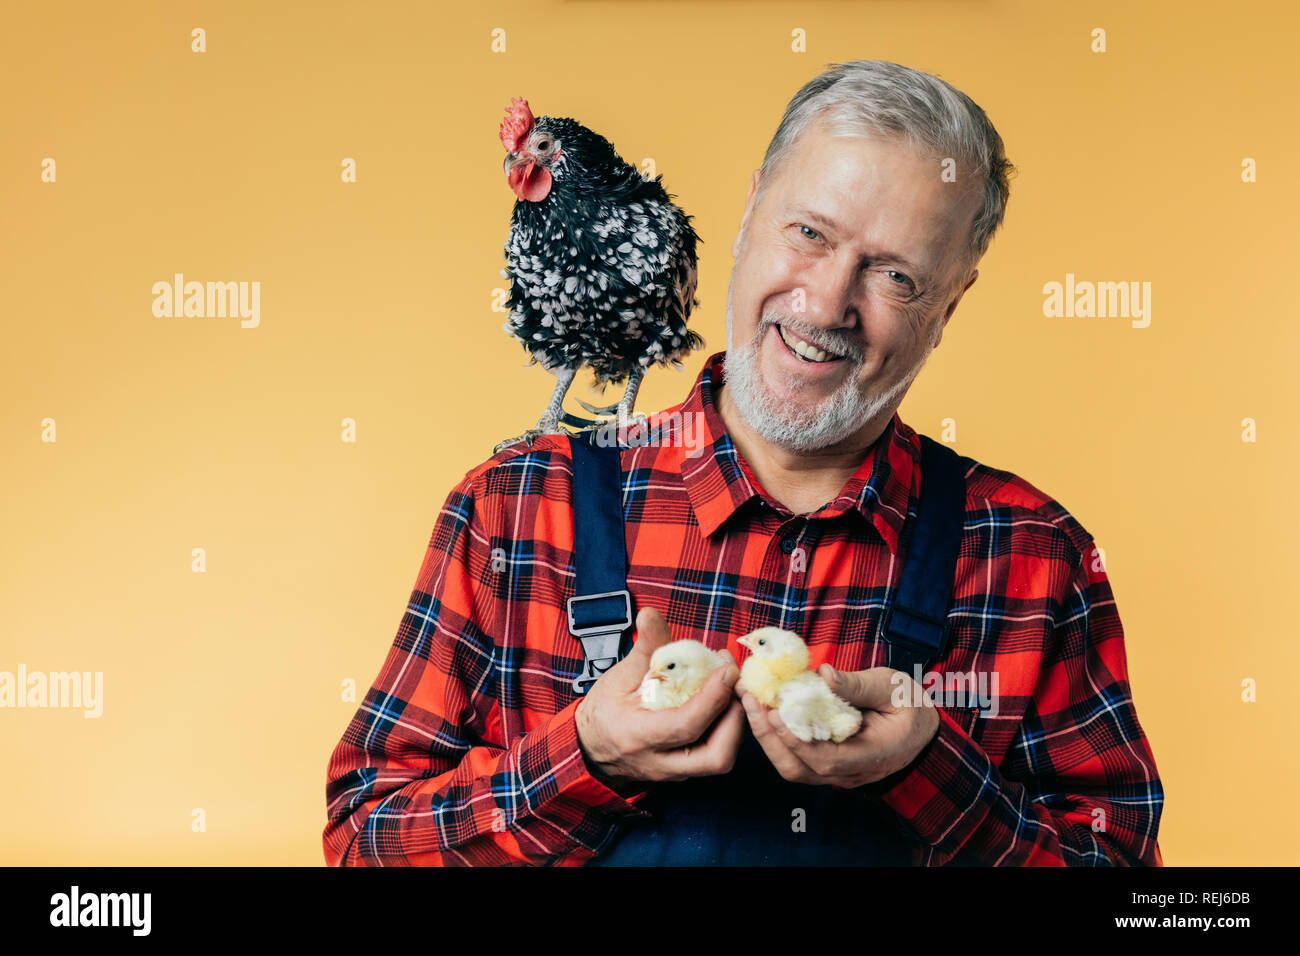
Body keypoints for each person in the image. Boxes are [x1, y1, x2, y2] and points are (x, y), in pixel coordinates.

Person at [323, 59, 1164, 866]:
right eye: (809, 233)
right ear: (749, 210)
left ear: (951, 302)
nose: (827, 304)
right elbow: (365, 839)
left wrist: (930, 772)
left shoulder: (1032, 553)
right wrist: (584, 758)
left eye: (895, 275)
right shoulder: (516, 509)